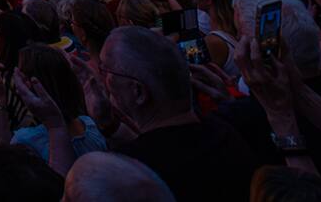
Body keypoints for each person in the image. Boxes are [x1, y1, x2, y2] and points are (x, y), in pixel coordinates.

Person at [96, 26, 259, 202]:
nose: (103, 80)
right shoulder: (233, 131)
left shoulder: (128, 176)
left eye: (105, 71)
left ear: (139, 92)